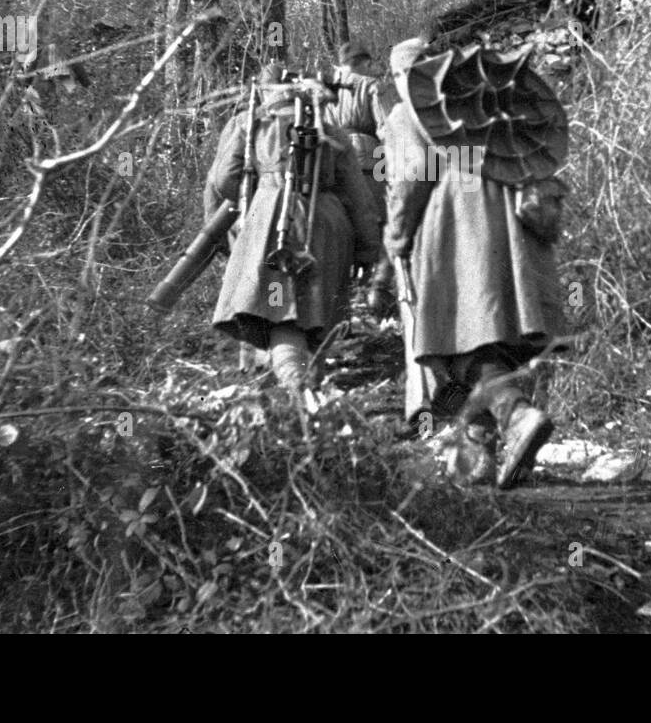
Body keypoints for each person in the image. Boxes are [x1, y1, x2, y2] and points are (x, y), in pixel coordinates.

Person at [382, 37, 565, 489]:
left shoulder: (411, 111)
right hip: (514, 215)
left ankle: (515, 415)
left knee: (460, 341)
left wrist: (396, 241)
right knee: (500, 336)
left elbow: (411, 179)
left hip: (459, 222)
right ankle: (477, 455)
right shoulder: (487, 102)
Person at [206, 67, 382, 394]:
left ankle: (298, 390)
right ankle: (304, 389)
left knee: (279, 312)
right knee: (312, 311)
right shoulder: (329, 129)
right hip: (328, 224)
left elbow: (223, 181)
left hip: (271, 220)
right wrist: (369, 249)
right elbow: (360, 198)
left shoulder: (252, 125)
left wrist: (261, 187)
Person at [328, 42, 395, 316]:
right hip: (369, 163)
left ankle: (344, 304)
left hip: (334, 166)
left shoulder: (326, 88)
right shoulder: (371, 85)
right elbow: (387, 128)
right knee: (377, 226)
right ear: (365, 63)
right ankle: (374, 297)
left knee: (344, 232)